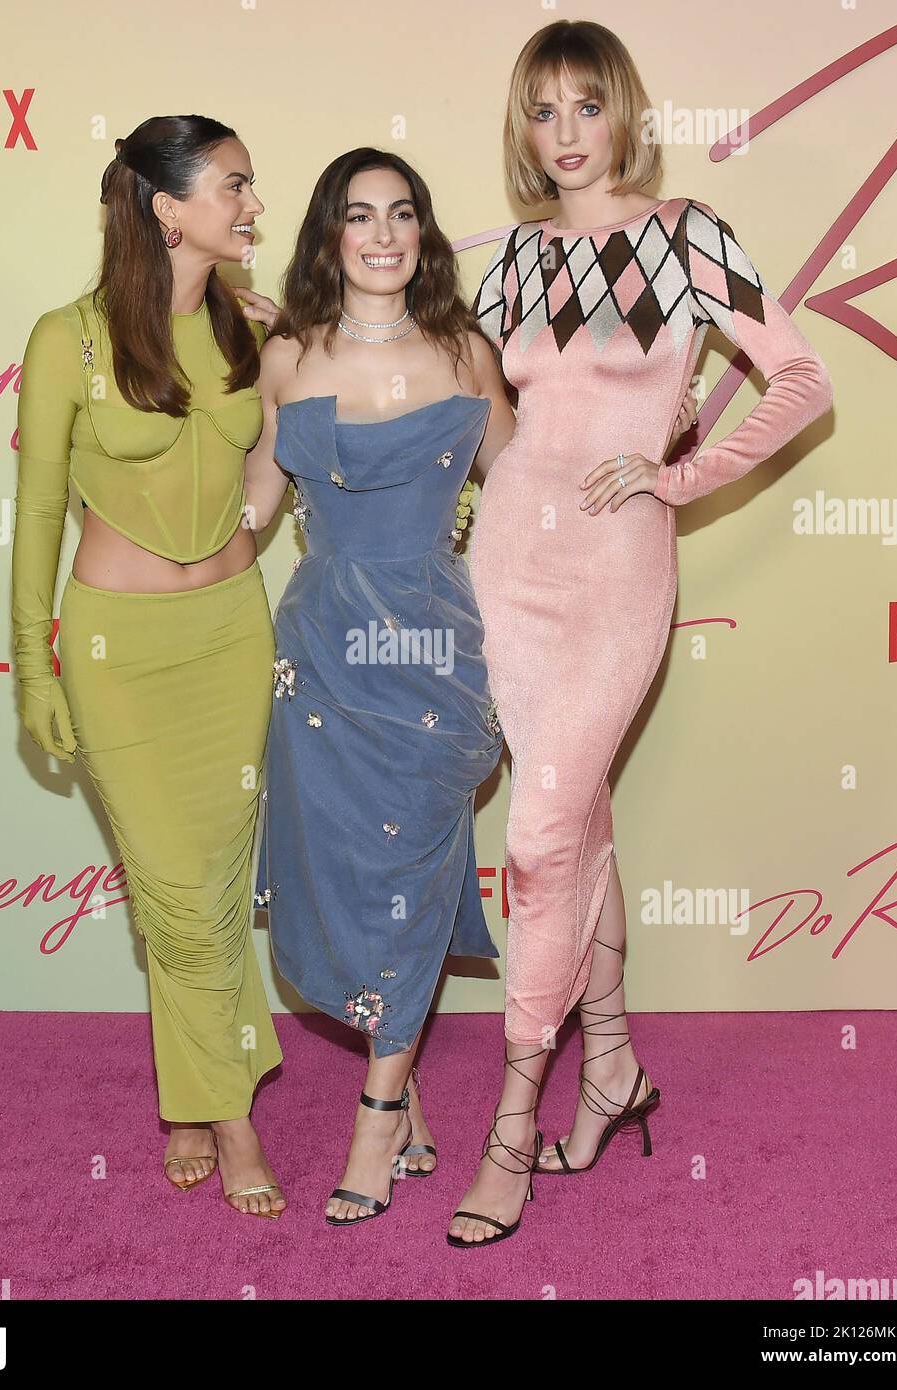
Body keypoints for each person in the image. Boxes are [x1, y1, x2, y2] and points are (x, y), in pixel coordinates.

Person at [449, 20, 833, 1246]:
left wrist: (674, 475)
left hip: (615, 569)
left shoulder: (684, 235)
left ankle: (514, 1115)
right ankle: (608, 1065)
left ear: (623, 112)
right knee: (580, 820)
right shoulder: (506, 260)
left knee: (542, 827)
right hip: (506, 561)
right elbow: (463, 398)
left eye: (583, 107)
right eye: (540, 112)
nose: (562, 136)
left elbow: (801, 380)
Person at [10, 114, 288, 1218]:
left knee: (207, 897)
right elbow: (36, 514)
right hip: (116, 654)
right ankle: (230, 1122)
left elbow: (271, 467)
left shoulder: (248, 332)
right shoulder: (63, 340)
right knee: (179, 899)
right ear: (168, 208)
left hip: (230, 636)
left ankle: (186, 1096)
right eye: (234, 185)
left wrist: (278, 406)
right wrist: (35, 668)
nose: (254, 205)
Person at [243, 149, 512, 1225]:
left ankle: (375, 1112)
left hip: (434, 654)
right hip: (320, 655)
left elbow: (527, 489)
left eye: (403, 213)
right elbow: (250, 515)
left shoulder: (461, 354)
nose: (384, 233)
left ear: (423, 231)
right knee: (345, 881)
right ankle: (400, 1098)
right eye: (359, 217)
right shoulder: (284, 359)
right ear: (328, 237)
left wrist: (639, 440)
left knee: (412, 857)